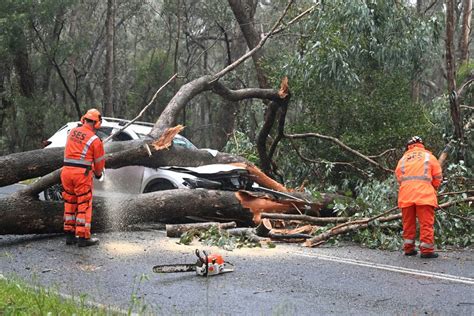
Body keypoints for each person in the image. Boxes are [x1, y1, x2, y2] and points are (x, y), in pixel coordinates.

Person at [61, 108, 105, 247]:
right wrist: (98, 174)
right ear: (97, 124)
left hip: (66, 172)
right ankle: (83, 237)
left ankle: (69, 234)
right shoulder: (95, 140)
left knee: (70, 202)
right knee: (83, 205)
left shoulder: (72, 132)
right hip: (81, 175)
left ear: (83, 119)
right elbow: (99, 163)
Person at [395, 136, 442, 258]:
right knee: (426, 224)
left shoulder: (403, 159)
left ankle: (409, 249)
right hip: (424, 195)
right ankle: (426, 251)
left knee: (408, 223)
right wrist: (433, 187)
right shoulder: (429, 157)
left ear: (409, 146)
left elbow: (399, 177)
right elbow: (437, 176)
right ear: (422, 144)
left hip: (406, 195)